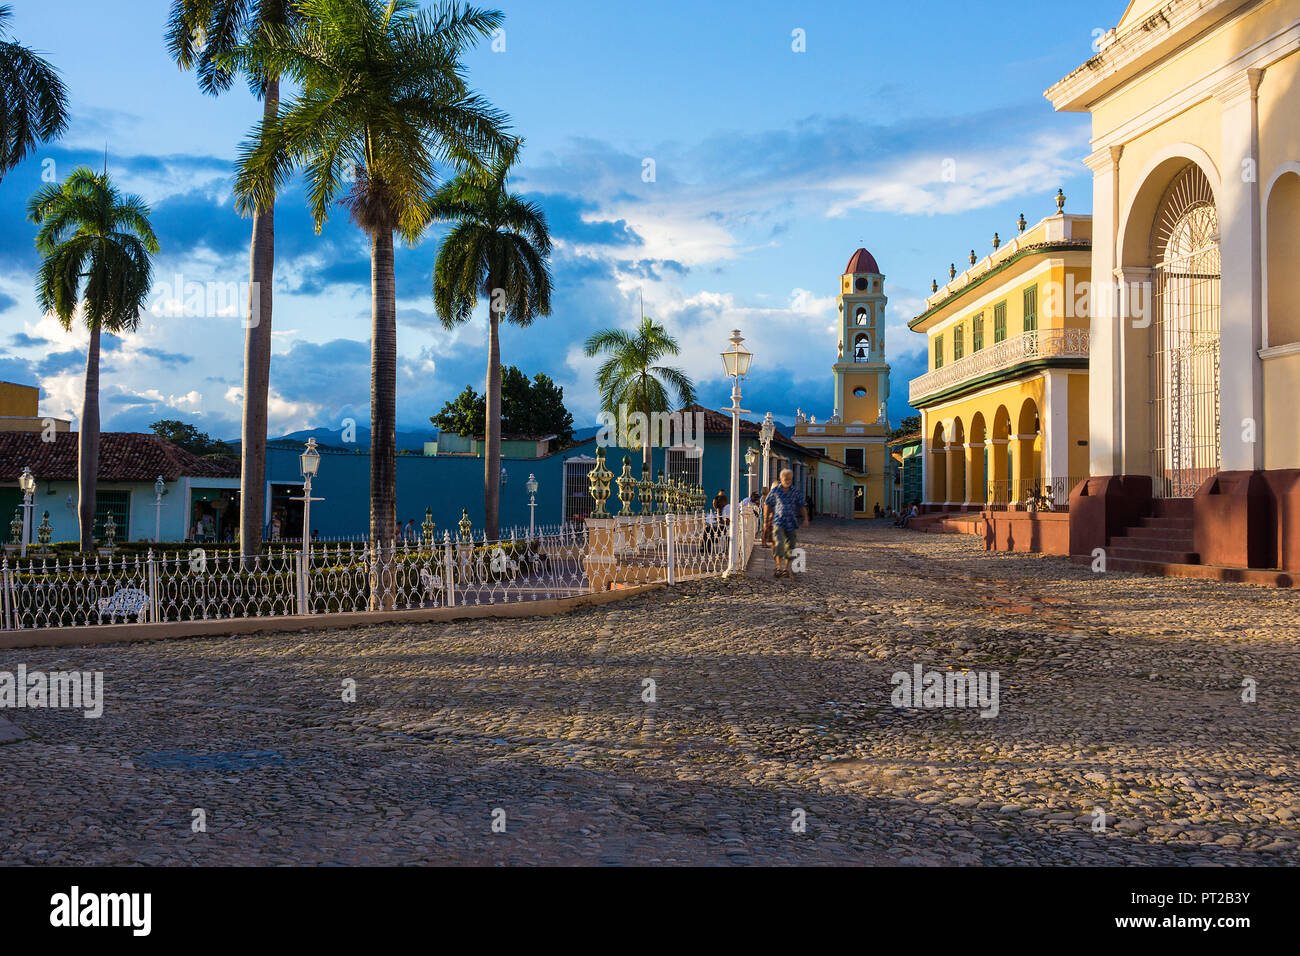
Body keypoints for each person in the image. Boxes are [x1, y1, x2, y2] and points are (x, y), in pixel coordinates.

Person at [764, 468, 808, 579]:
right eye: (785, 479)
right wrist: (765, 521)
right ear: (781, 479)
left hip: (791, 523)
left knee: (790, 546)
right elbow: (767, 504)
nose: (788, 481)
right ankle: (778, 567)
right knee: (778, 543)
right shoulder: (775, 491)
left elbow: (802, 505)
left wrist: (806, 518)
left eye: (789, 479)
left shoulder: (795, 491)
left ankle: (786, 569)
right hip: (778, 521)